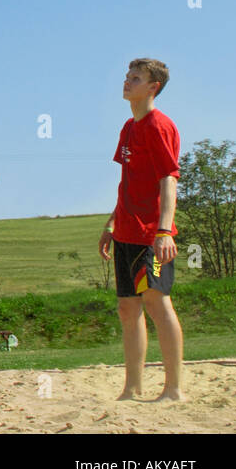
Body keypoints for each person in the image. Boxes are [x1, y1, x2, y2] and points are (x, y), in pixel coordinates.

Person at [99, 59, 183, 402]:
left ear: (153, 87)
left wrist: (164, 231)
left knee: (157, 304)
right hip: (126, 233)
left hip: (151, 235)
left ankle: (173, 389)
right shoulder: (128, 128)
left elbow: (168, 180)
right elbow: (127, 183)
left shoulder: (159, 125)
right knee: (127, 309)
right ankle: (132, 388)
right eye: (127, 76)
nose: (127, 81)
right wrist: (111, 223)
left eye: (136, 78)